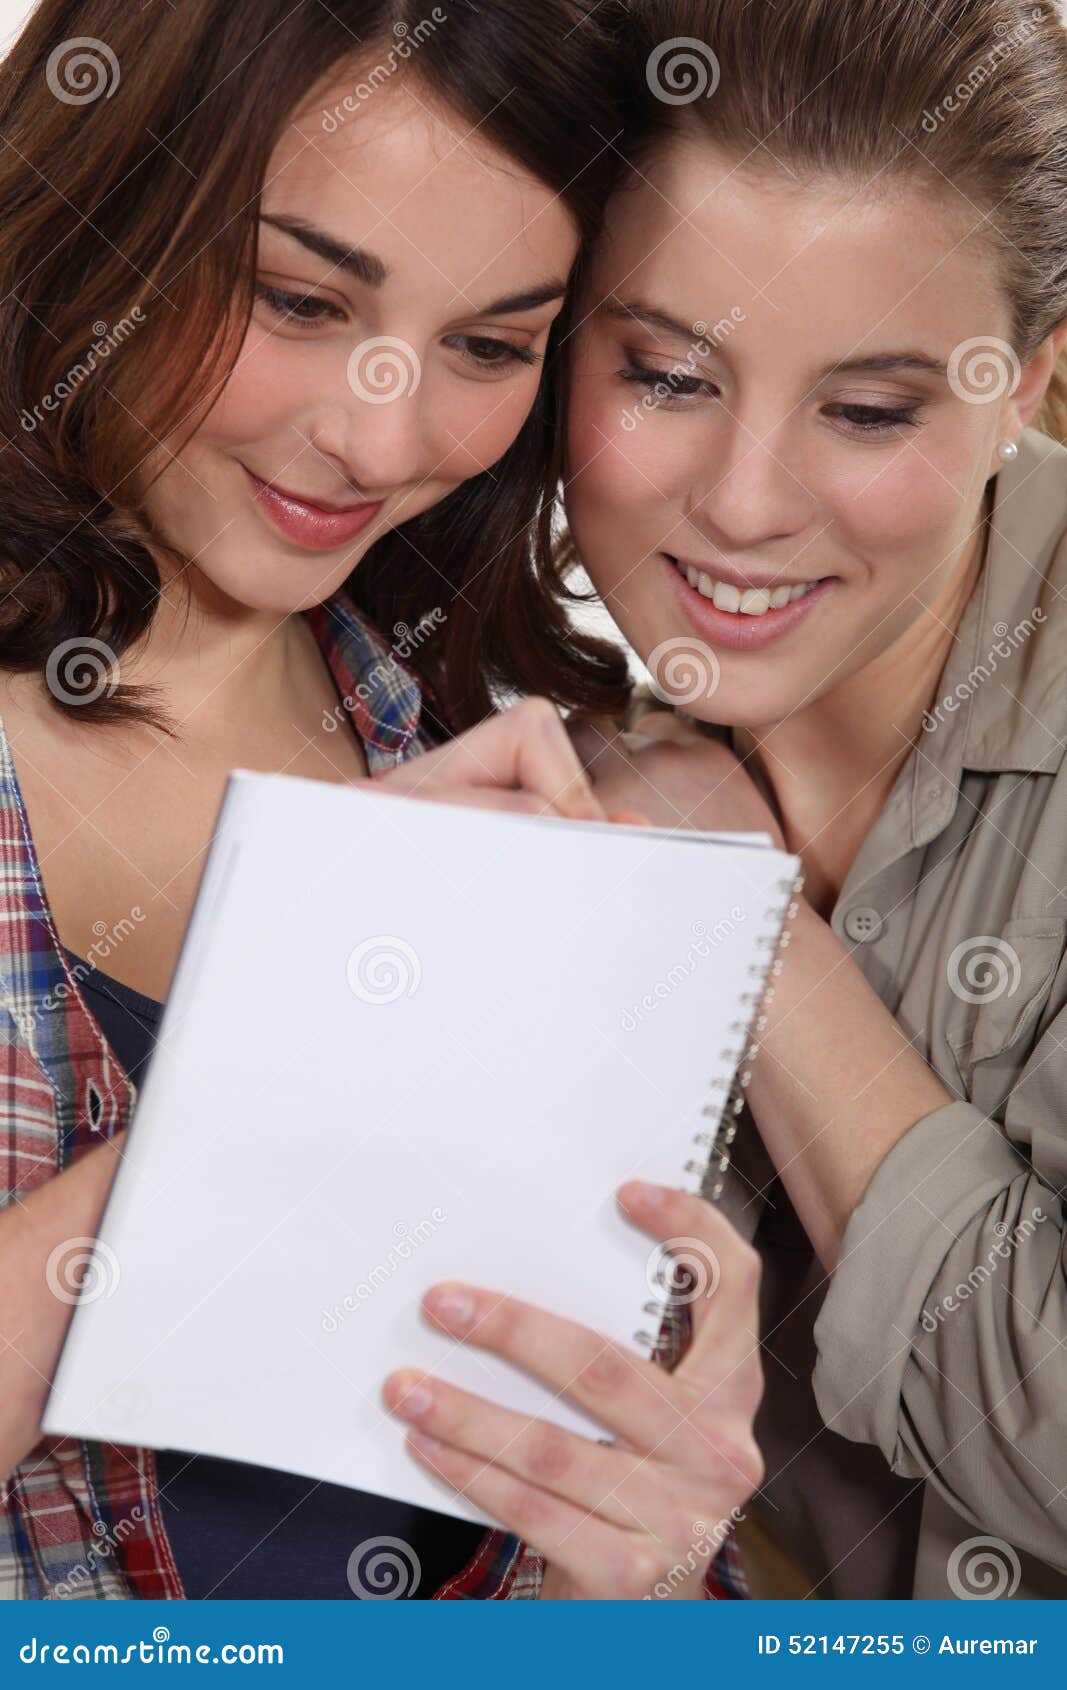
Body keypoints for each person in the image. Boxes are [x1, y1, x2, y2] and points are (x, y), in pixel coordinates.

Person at [0, 0, 763, 1600]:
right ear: (109, 204)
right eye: (296, 296)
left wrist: (639, 1565)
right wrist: (259, 1062)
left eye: (489, 345)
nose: (377, 432)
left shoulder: (501, 756)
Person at [553, 0, 1067, 1600]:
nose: (746, 504)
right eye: (665, 373)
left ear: (1028, 384)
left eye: (868, 409)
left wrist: (756, 930)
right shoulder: (487, 738)